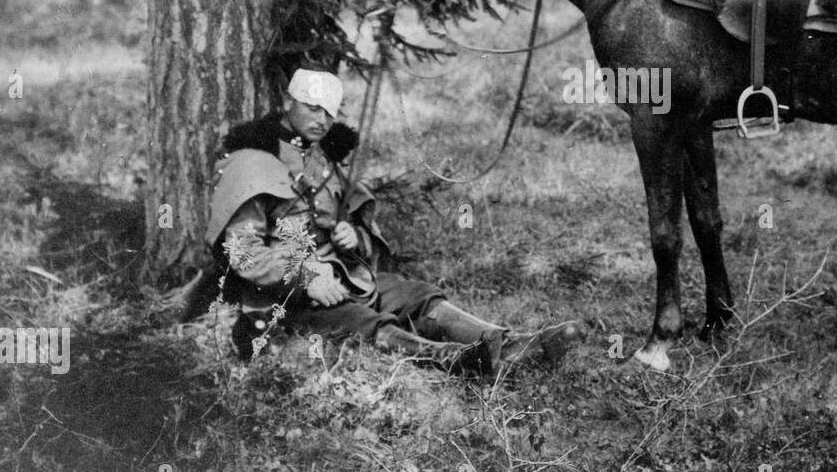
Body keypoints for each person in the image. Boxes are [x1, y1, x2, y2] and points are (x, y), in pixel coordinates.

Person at [203, 66, 583, 376]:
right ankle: (454, 359)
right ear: (288, 102)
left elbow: (351, 224)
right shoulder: (251, 162)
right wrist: (306, 278)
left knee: (416, 294)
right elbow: (243, 252)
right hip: (285, 301)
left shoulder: (323, 161)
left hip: (342, 278)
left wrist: (354, 236)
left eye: (329, 111)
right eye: (312, 107)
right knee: (359, 319)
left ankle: (508, 343)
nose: (322, 119)